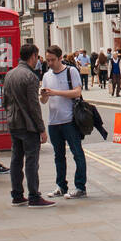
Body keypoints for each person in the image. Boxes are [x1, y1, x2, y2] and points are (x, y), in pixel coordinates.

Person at [4, 44, 54, 207]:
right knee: (31, 161)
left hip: (13, 123)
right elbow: (34, 106)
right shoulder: (30, 77)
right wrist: (41, 129)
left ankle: (17, 194)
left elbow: (5, 101)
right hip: (28, 125)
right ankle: (34, 196)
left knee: (16, 159)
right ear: (33, 56)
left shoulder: (9, 74)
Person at [40, 45, 87, 200]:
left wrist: (55, 93)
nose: (50, 63)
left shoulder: (71, 71)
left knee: (77, 153)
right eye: (48, 60)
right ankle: (61, 186)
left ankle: (80, 187)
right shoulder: (46, 76)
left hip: (70, 120)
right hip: (54, 122)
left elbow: (77, 92)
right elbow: (44, 101)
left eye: (53, 60)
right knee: (58, 156)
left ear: (60, 58)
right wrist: (44, 95)